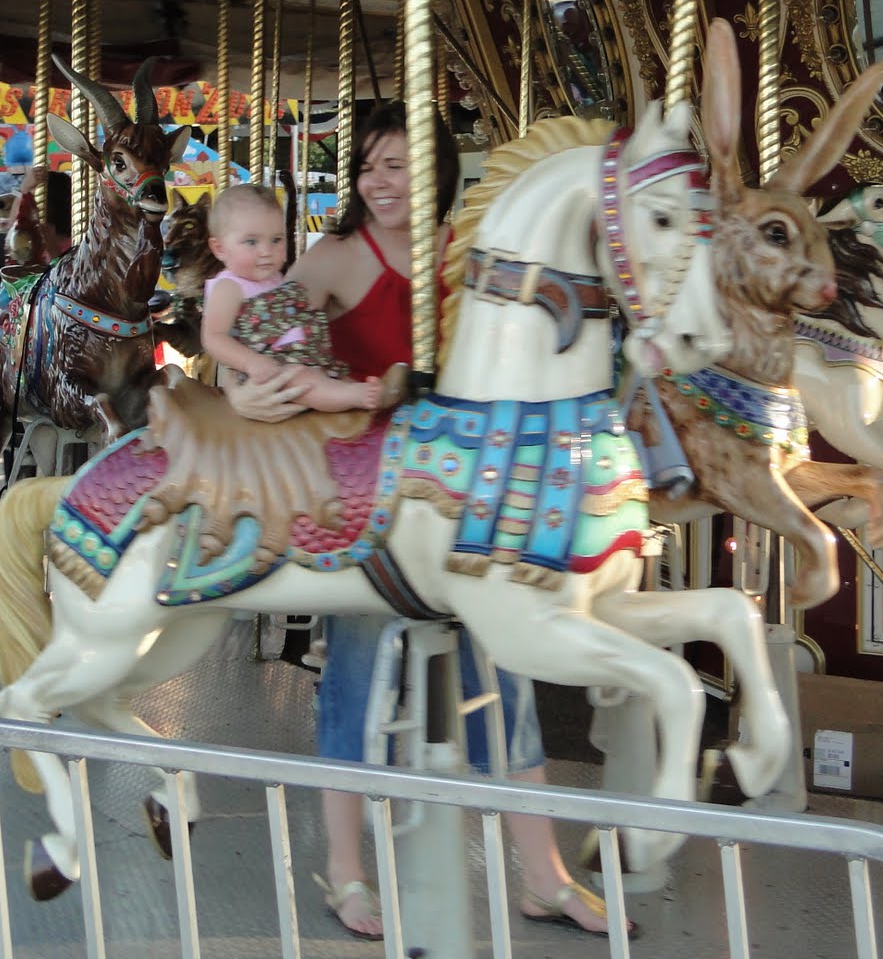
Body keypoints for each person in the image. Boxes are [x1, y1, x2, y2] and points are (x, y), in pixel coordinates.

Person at [228, 104, 618, 940]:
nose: (379, 181)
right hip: (372, 488)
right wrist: (242, 391)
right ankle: (344, 868)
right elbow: (255, 329)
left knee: (503, 667)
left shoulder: (473, 249)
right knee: (358, 665)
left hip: (463, 483)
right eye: (369, 165)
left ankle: (543, 875)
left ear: (436, 171)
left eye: (399, 165)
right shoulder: (335, 256)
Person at [202, 183, 386, 413]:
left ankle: (359, 392)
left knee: (329, 376)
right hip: (269, 369)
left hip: (303, 359)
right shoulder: (229, 286)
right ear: (219, 248)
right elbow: (214, 337)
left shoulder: (274, 279)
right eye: (251, 242)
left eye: (276, 240)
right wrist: (250, 362)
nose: (266, 251)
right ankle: (353, 396)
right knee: (301, 380)